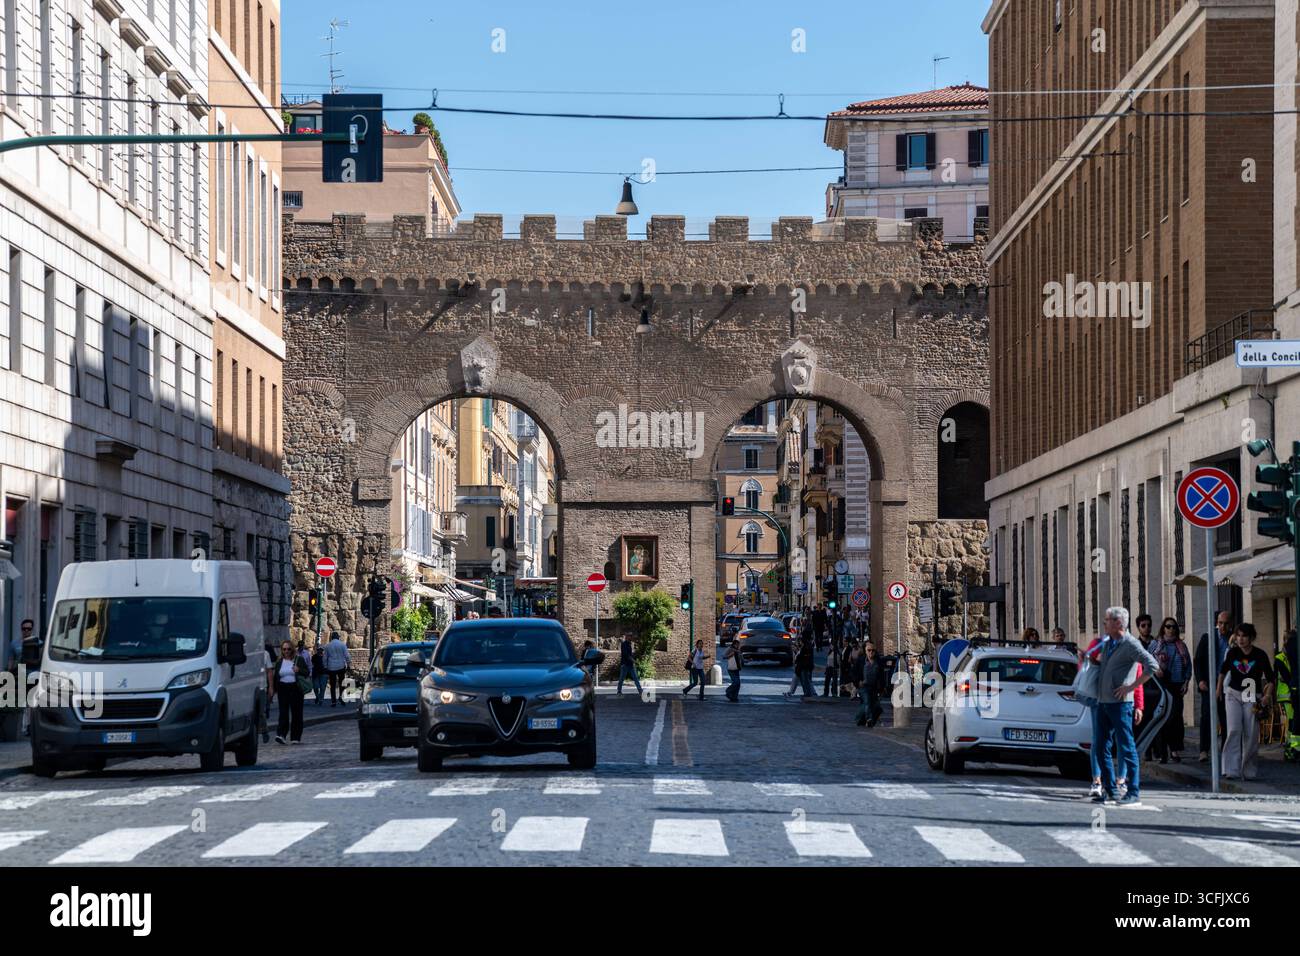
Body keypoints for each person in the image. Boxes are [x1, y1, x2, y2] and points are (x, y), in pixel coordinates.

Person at [1092, 607, 1161, 807]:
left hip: (1121, 704)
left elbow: (1152, 665)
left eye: (1107, 620)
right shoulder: (1109, 643)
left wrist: (1131, 687)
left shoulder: (1131, 644)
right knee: (1101, 746)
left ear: (1118, 623)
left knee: (1126, 746)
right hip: (1103, 701)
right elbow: (1106, 667)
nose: (1104, 623)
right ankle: (1111, 790)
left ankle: (1133, 791)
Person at [1218, 622, 1274, 780]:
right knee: (1234, 730)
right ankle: (1231, 770)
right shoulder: (1232, 653)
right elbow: (1223, 671)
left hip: (1251, 696)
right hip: (1233, 694)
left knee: (1251, 734)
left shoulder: (1260, 655)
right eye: (1238, 635)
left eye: (1244, 636)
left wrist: (1267, 696)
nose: (1241, 639)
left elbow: (1271, 679)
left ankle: (1248, 771)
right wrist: (1218, 691)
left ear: (1251, 638)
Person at [1150, 618, 1191, 763]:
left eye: (1174, 627)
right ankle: (1162, 752)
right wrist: (1156, 669)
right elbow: (1146, 660)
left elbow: (1188, 666)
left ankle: (1174, 750)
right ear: (1163, 628)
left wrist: (1186, 682)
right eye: (1168, 627)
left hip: (1177, 684)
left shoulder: (1181, 645)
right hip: (1161, 685)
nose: (1171, 629)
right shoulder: (1156, 644)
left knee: (1175, 718)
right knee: (1162, 717)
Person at [1194, 611, 1232, 762]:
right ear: (1216, 622)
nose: (1222, 626)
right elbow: (1198, 660)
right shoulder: (1208, 637)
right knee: (1207, 717)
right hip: (1209, 683)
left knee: (1226, 718)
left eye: (1226, 623)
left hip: (1226, 684)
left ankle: (1225, 750)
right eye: (1220, 623)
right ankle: (1204, 750)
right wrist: (1201, 680)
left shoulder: (1233, 639)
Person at [271, 640, 309, 745]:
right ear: (282, 650)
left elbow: (307, 672)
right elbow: (276, 677)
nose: (286, 651)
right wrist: (273, 689)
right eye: (284, 649)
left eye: (288, 649)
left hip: (295, 688)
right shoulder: (279, 662)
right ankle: (281, 734)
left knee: (296, 713)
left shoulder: (299, 660)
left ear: (292, 649)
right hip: (283, 688)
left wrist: (299, 670)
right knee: (283, 713)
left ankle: (295, 737)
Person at [1276, 629, 1300, 762]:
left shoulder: (1287, 653)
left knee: (1293, 721)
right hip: (1287, 694)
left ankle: (1291, 747)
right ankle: (1291, 748)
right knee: (1292, 721)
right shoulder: (1280, 657)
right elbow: (1286, 676)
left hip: (1291, 691)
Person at [855, 643, 884, 727]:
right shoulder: (861, 661)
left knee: (875, 706)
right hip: (863, 686)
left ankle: (859, 719)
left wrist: (882, 688)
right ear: (865, 651)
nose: (871, 652)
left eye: (873, 650)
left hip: (874, 687)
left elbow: (881, 676)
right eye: (869, 650)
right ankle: (869, 719)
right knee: (867, 701)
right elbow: (854, 673)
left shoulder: (878, 662)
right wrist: (858, 682)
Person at [323, 630, 350, 707]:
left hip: (331, 667)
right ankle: (341, 697)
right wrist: (349, 664)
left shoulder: (328, 646)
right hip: (341, 666)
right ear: (338, 637)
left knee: (333, 685)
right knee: (342, 683)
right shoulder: (342, 645)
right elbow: (347, 656)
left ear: (331, 638)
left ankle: (333, 701)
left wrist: (325, 666)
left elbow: (325, 658)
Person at [794, 630, 817, 697]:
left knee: (805, 680)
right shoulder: (807, 645)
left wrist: (798, 653)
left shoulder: (806, 645)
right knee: (805, 680)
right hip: (805, 665)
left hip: (804, 666)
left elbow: (803, 655)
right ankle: (807, 693)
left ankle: (807, 693)